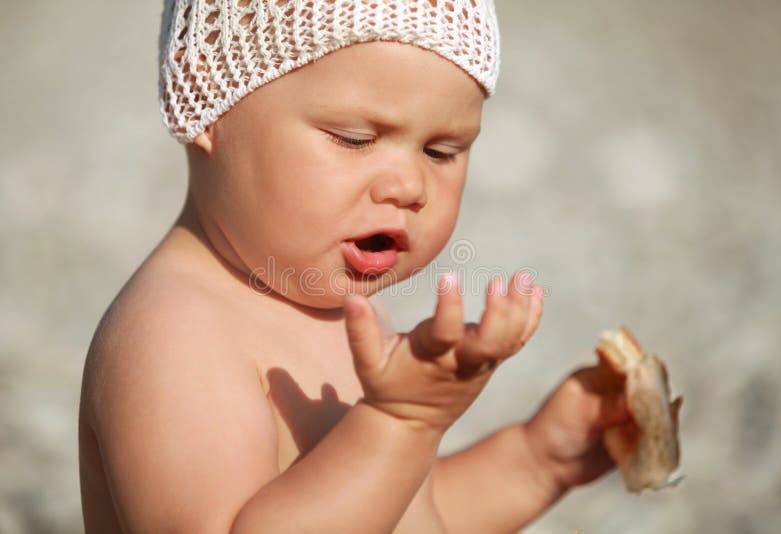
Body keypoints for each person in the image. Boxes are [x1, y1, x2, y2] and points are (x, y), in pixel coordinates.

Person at [79, 1, 632, 532]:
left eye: (441, 152)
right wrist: (399, 424)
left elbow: (396, 513)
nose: (409, 185)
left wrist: (537, 462)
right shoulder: (176, 334)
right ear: (206, 94)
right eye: (355, 139)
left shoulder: (342, 311)